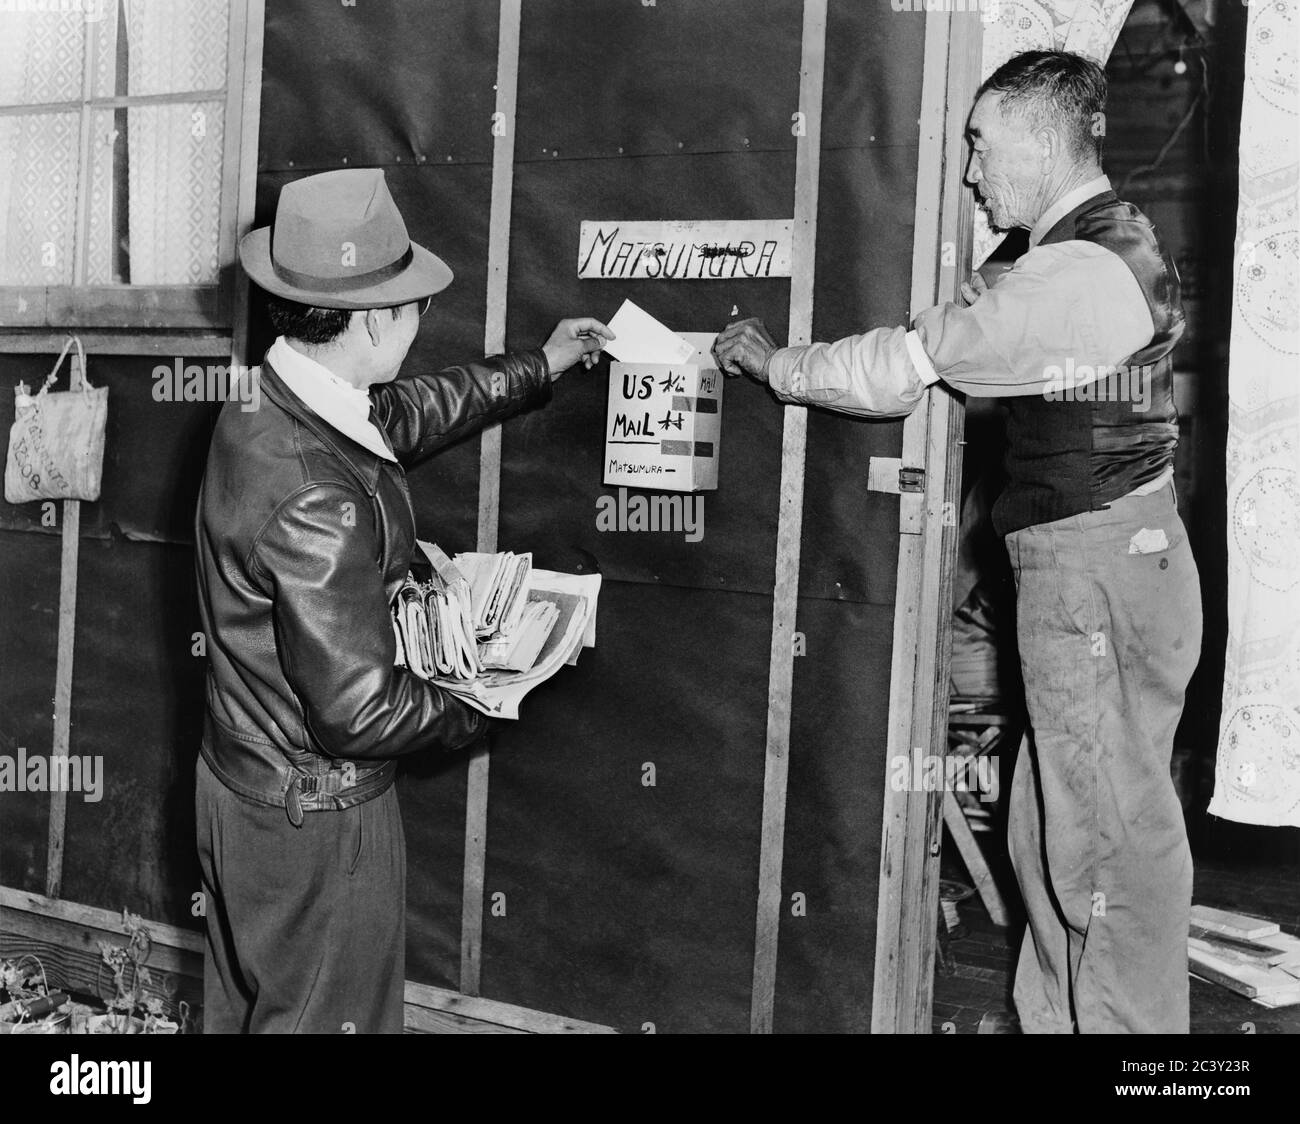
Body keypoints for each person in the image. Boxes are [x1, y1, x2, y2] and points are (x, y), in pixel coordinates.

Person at [714, 50, 1201, 1034]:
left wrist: (773, 363)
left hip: (1095, 573)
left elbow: (900, 366)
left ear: (1036, 134)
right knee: (1047, 835)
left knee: (1102, 858)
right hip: (1102, 565)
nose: (970, 171)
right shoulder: (1093, 246)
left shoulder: (1075, 275)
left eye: (979, 142)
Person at [193, 167, 612, 1033]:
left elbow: (400, 414)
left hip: (241, 794)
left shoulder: (264, 401)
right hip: (318, 821)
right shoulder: (315, 491)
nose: (420, 318)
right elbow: (364, 713)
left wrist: (542, 364)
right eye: (414, 302)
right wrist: (500, 690)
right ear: (375, 319)